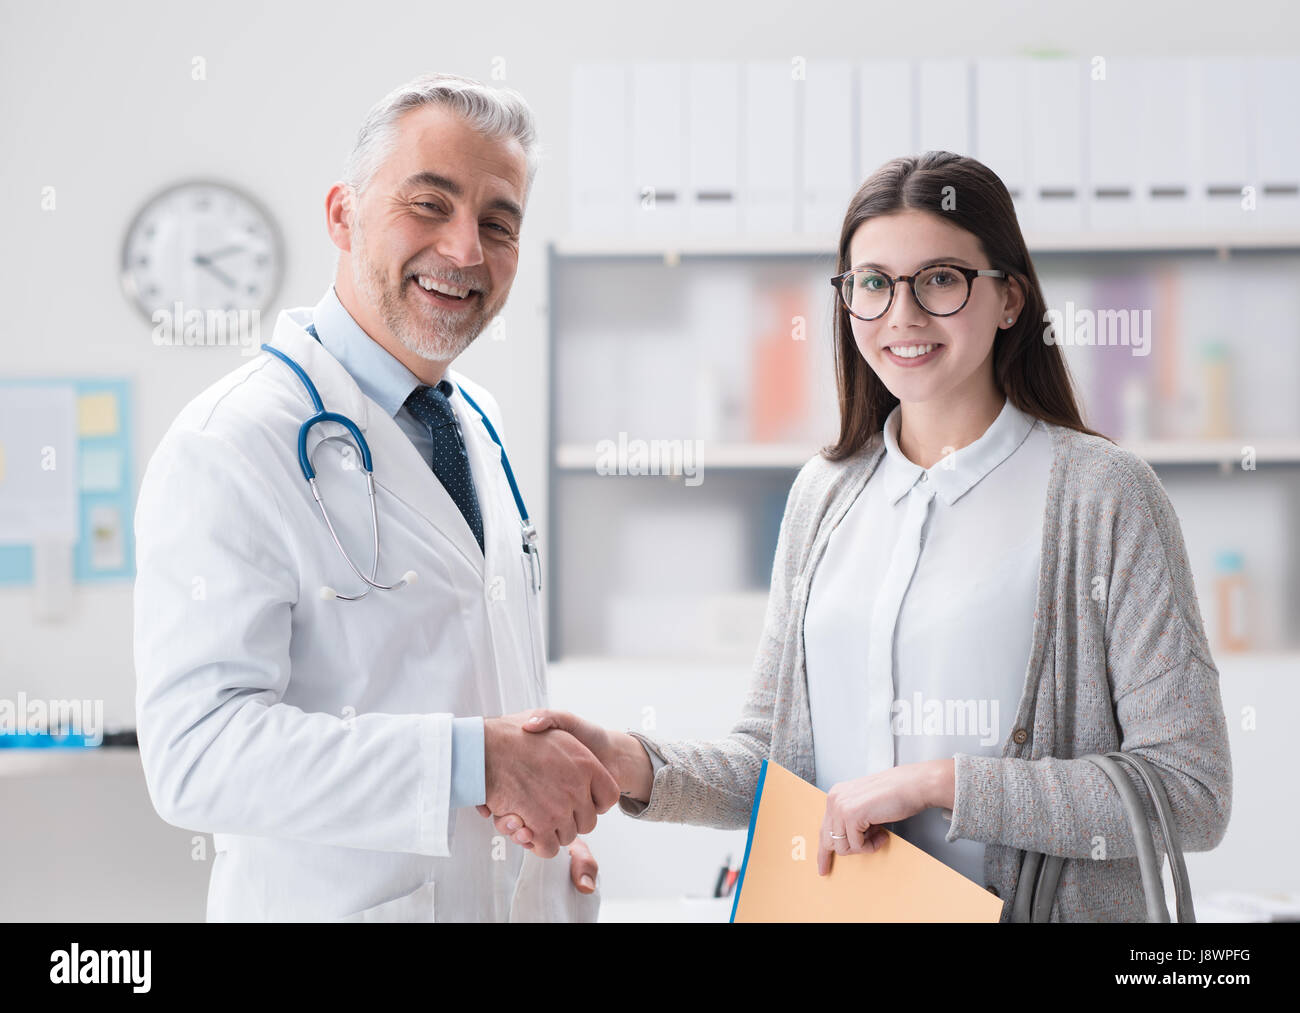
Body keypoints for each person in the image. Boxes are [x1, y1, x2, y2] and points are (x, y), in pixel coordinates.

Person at [490, 151, 1233, 921]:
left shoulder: (1101, 495)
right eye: (872, 283)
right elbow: (777, 770)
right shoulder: (826, 493)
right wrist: (627, 760)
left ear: (1010, 298)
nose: (902, 315)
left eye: (941, 279)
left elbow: (1190, 791)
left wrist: (941, 782)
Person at [133, 73, 618, 922]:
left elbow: (461, 679)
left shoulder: (479, 424)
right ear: (342, 215)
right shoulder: (230, 442)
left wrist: (534, 835)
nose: (466, 249)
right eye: (429, 204)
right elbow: (195, 755)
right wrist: (479, 764)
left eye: (498, 223)